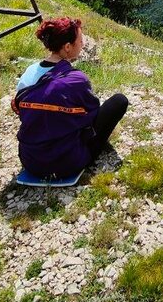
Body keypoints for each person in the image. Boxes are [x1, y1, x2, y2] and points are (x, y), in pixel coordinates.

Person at [12, 17, 127, 180]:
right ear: (67, 47)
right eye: (80, 41)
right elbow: (92, 114)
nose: (83, 44)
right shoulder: (76, 79)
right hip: (67, 163)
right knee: (119, 101)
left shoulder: (29, 72)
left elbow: (24, 113)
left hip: (30, 160)